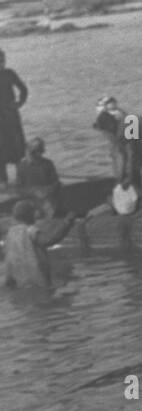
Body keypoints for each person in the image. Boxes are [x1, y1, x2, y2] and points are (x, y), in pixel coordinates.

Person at [3, 199, 76, 290]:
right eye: (34, 212)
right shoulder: (31, 231)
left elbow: (8, 257)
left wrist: (8, 279)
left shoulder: (11, 232)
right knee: (46, 296)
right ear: (29, 215)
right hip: (36, 276)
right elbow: (49, 240)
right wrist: (66, 224)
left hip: (18, 277)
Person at [0, 49, 27, 188]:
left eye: (2, 60)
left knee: (17, 146)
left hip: (11, 115)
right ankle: (3, 181)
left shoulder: (9, 73)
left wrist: (19, 103)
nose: (1, 64)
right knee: (1, 148)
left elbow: (23, 89)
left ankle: (19, 177)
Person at [17, 138, 61, 202]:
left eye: (35, 151)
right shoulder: (21, 166)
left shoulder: (48, 164)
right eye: (28, 151)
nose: (29, 154)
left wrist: (46, 191)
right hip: (30, 200)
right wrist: (34, 192)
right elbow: (19, 188)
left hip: (48, 199)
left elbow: (56, 183)